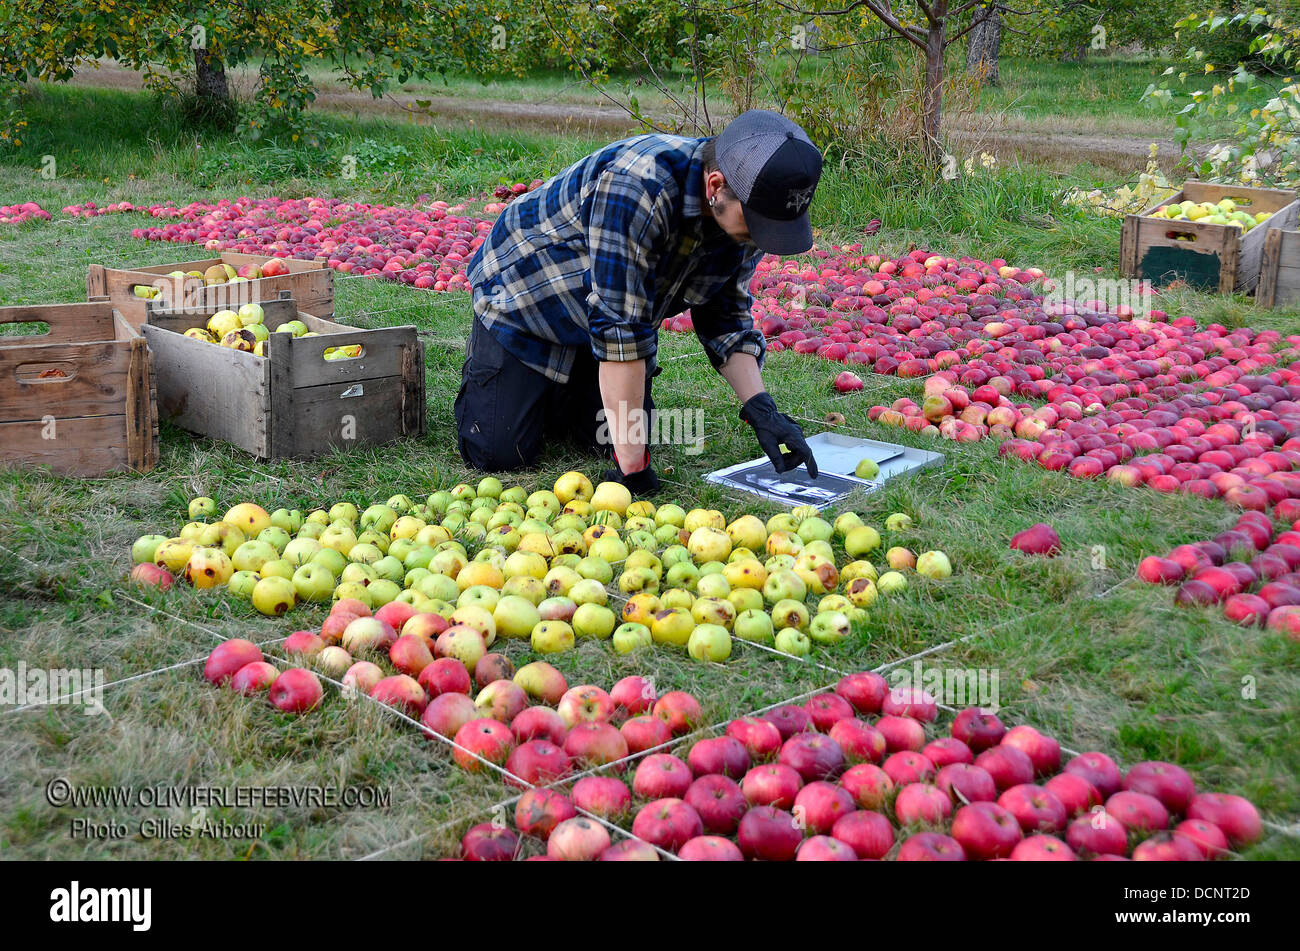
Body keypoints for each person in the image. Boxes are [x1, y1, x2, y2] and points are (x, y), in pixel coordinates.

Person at [455, 109, 822, 494]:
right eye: (756, 225)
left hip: (598, 315)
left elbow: (725, 315)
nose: (760, 239)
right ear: (715, 186)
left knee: (601, 438)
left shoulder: (746, 217)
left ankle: (562, 387)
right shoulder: (637, 187)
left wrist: (761, 407)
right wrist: (632, 470)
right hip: (527, 300)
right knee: (500, 451)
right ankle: (518, 377)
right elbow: (621, 330)